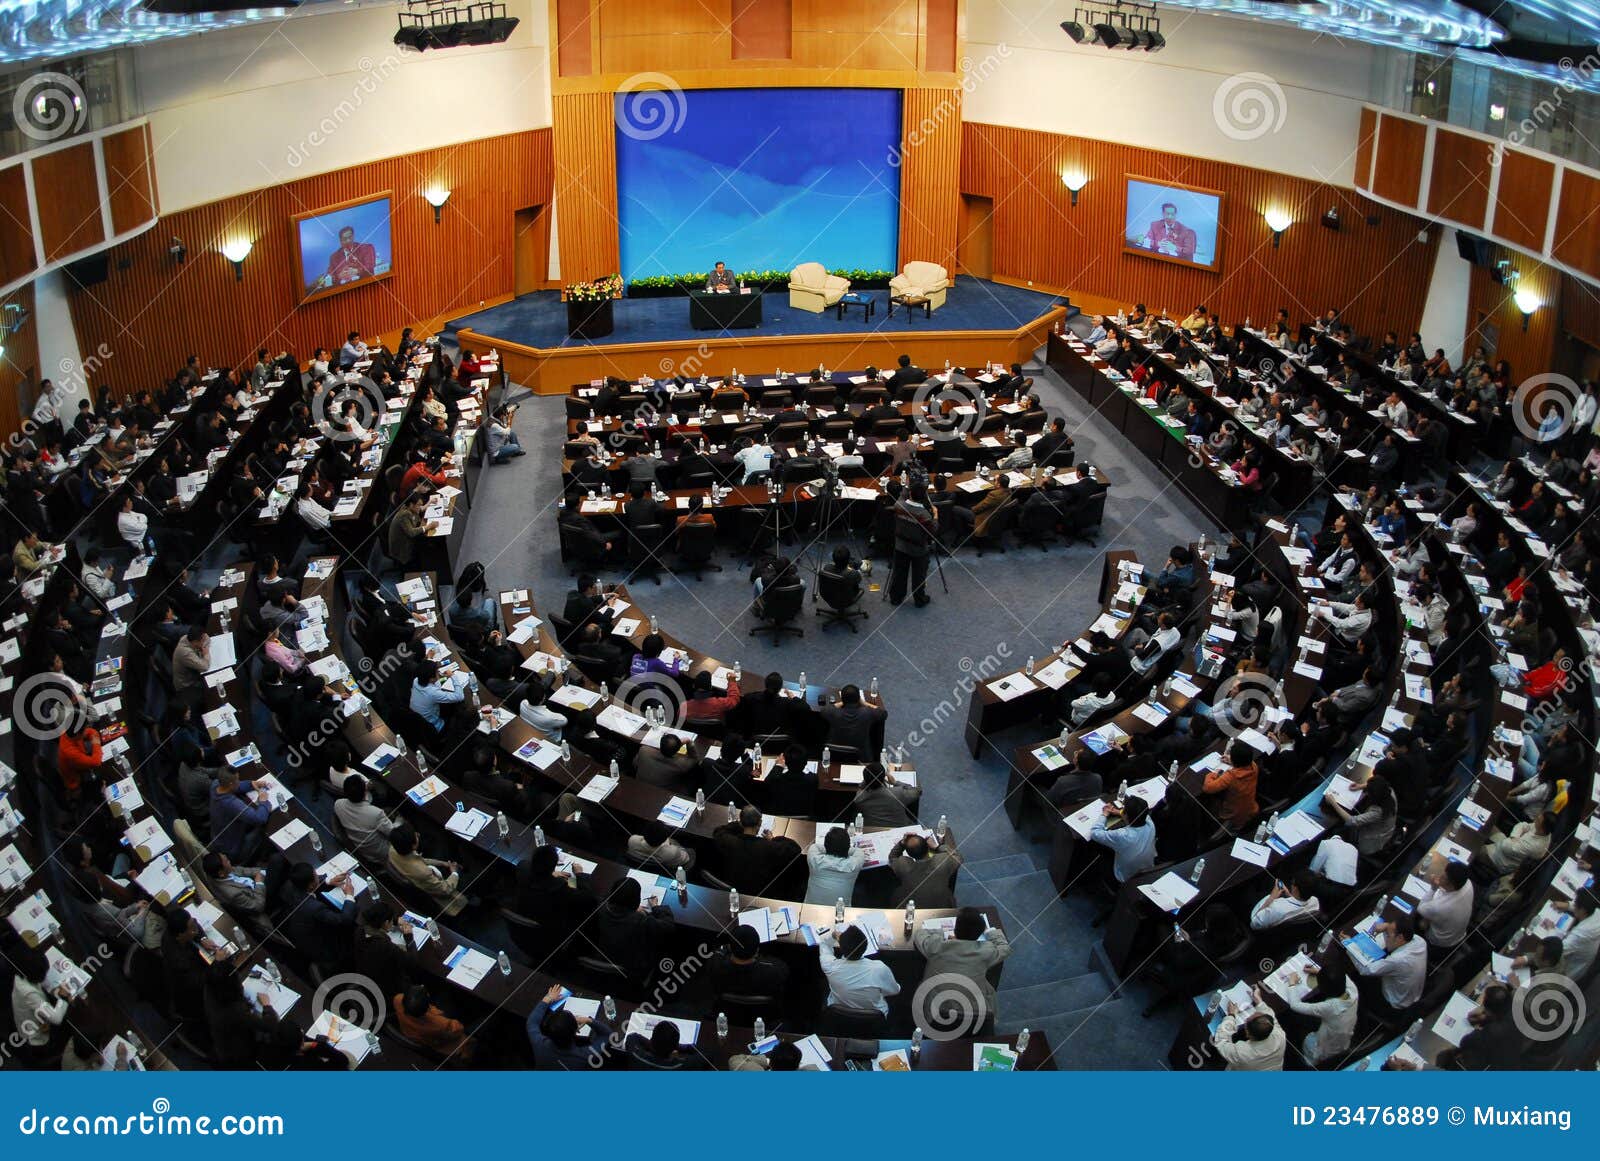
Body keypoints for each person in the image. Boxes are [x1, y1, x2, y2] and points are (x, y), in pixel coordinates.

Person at [1347, 914, 1427, 1017]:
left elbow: (1366, 970)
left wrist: (1349, 945)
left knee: (1354, 977)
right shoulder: (1420, 942)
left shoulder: (1398, 960)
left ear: (1400, 937)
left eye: (1388, 935)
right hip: (1409, 995)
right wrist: (1387, 927)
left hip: (1392, 1004)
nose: (1386, 938)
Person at [714, 805, 802, 896]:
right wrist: (773, 839)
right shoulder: (769, 847)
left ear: (741, 822)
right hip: (763, 891)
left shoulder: (730, 842)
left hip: (735, 886)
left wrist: (739, 824)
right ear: (759, 823)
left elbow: (719, 831)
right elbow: (795, 849)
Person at [1284, 960, 1358, 1065]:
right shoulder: (1353, 989)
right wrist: (1320, 972)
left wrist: (1292, 983)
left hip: (1322, 1050)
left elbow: (1295, 1005)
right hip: (1343, 1041)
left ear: (1323, 988)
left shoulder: (1331, 1007)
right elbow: (1341, 976)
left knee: (1291, 1017)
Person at [817, 924, 900, 1016]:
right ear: (866, 946)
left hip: (838, 1017)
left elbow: (824, 945)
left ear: (841, 947)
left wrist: (833, 935)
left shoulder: (830, 966)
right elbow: (895, 991)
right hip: (873, 1021)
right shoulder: (879, 968)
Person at [387, 821, 466, 915]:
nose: (418, 834)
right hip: (440, 891)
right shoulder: (423, 872)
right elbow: (445, 889)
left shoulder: (393, 850)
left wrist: (443, 863)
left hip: (422, 878)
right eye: (415, 836)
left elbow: (418, 859)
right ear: (412, 845)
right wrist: (454, 873)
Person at [528, 984, 610, 1070]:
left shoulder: (539, 1044)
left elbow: (531, 1022)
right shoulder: (585, 1056)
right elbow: (607, 1035)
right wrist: (589, 1020)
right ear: (576, 1030)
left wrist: (547, 999)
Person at [710, 924, 791, 1001]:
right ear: (757, 950)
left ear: (730, 948)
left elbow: (718, 952)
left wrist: (726, 947)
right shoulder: (776, 971)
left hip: (725, 1009)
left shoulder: (715, 965)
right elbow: (783, 967)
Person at [889, 483, 937, 607]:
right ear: (924, 497)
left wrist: (907, 485)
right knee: (918, 576)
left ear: (910, 493)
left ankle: (896, 598)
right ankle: (919, 599)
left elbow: (902, 495)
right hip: (919, 549)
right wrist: (936, 515)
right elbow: (934, 531)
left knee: (899, 574)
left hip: (900, 546)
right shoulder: (924, 515)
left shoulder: (898, 505)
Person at [1088, 795, 1157, 882]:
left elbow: (1095, 833)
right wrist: (1120, 812)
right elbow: (1139, 816)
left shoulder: (1123, 835)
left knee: (1093, 846)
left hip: (1124, 877)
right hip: (1146, 871)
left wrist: (1104, 814)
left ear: (1127, 815)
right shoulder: (1150, 823)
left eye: (1124, 810)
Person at [209, 767, 270, 863]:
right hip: (231, 848)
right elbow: (259, 818)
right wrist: (264, 801)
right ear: (231, 784)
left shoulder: (215, 784)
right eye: (237, 780)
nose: (239, 781)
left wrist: (251, 784)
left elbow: (236, 786)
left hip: (218, 837)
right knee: (262, 829)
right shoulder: (231, 804)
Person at [887, 831, 961, 908]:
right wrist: (937, 847)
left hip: (910, 906)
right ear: (928, 847)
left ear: (909, 854)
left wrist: (901, 843)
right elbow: (957, 857)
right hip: (942, 904)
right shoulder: (942, 861)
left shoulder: (902, 865)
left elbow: (893, 857)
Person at [333, 774, 393, 865]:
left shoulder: (338, 804)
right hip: (385, 853)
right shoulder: (375, 813)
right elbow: (393, 833)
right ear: (365, 791)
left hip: (365, 851)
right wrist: (400, 822)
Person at [1415, 858, 1474, 949]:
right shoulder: (1468, 884)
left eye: (1443, 877)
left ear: (1451, 884)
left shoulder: (1440, 907)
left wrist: (1433, 888)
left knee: (1420, 922)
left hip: (1439, 943)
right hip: (1457, 934)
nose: (1440, 875)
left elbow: (1421, 908)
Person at [1210, 1001, 1285, 1070]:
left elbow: (1221, 1042)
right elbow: (1271, 1017)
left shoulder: (1242, 1053)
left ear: (1248, 1034)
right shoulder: (1280, 1035)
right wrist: (1259, 1000)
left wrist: (1231, 1015)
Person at [1201, 743, 1259, 831]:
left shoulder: (1232, 776)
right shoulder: (1254, 766)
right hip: (1250, 810)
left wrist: (1212, 774)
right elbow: (1243, 764)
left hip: (1233, 816)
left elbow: (1207, 788)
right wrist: (1231, 761)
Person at [805, 826, 866, 906]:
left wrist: (832, 846)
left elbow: (815, 846)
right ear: (847, 846)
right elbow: (858, 851)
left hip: (810, 908)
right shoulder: (854, 864)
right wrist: (841, 846)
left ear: (826, 845)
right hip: (841, 911)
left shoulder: (814, 859)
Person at [819, 683, 885, 755]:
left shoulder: (834, 712)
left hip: (835, 753)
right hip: (861, 755)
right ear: (858, 699)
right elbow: (883, 713)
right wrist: (865, 703)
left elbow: (824, 710)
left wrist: (842, 702)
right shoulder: (867, 713)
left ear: (842, 698)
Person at [849, 762, 920, 827]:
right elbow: (917, 791)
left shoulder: (859, 798)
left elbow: (861, 788)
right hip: (899, 830)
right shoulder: (898, 793)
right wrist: (895, 782)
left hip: (874, 831)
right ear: (883, 778)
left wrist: (865, 783)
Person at [1248, 870, 1320, 930]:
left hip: (1256, 914)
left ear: (1296, 888)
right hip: (1280, 916)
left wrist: (1272, 897)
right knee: (1270, 881)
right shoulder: (1315, 902)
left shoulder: (1277, 908)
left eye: (1292, 883)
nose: (1291, 884)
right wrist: (1289, 894)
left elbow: (1254, 924)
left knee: (1248, 889)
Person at [320, 224, 378, 290]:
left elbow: (370, 267)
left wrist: (357, 271)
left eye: (350, 237)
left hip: (367, 287)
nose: (348, 241)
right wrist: (339, 276)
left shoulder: (366, 248)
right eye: (344, 239)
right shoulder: (334, 257)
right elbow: (329, 275)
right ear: (340, 241)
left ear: (353, 236)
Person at [627, 820, 696, 874]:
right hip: (670, 863)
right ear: (664, 839)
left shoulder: (632, 840)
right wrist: (671, 843)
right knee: (691, 852)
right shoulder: (672, 852)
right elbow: (686, 859)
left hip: (642, 862)